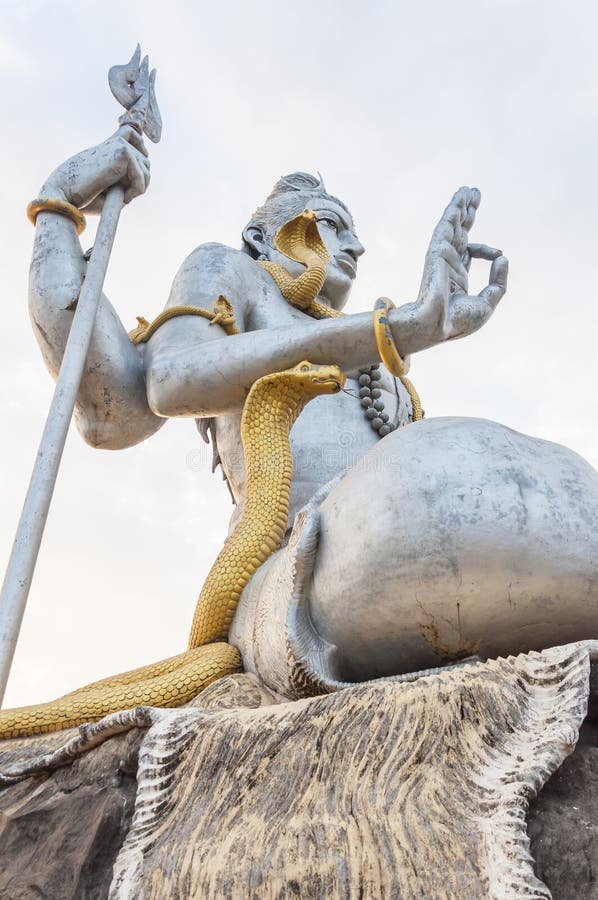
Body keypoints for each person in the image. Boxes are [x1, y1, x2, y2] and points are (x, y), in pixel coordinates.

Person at [28, 126, 598, 696]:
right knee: (425, 496)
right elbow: (154, 390)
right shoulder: (233, 272)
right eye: (332, 225)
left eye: (355, 233)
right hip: (292, 570)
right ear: (261, 236)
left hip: (399, 540)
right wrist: (58, 204)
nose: (356, 246)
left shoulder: (362, 350)